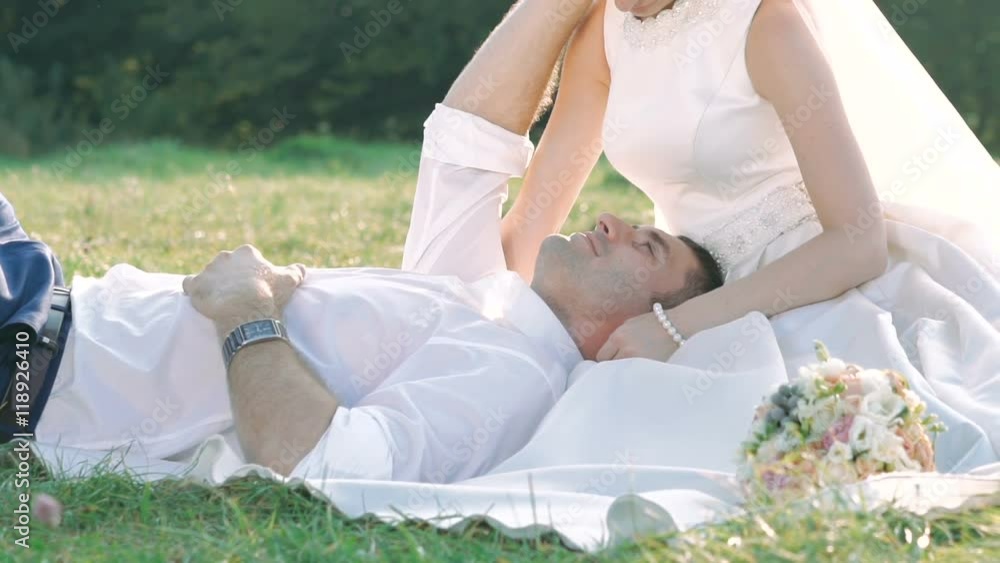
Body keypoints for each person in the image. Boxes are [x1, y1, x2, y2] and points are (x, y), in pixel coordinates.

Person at [0, 0, 723, 482]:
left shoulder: (511, 378)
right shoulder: (490, 307)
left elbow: (321, 463)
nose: (612, 221)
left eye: (648, 247)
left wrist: (247, 309)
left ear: (636, 325)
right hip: (45, 287)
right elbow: (466, 144)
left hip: (36, 362)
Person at [502, 0, 1000, 449]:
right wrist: (481, 319)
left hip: (810, 281)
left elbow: (858, 241)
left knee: (803, 435)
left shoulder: (766, 22)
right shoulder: (606, 28)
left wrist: (677, 326)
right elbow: (530, 223)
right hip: (688, 281)